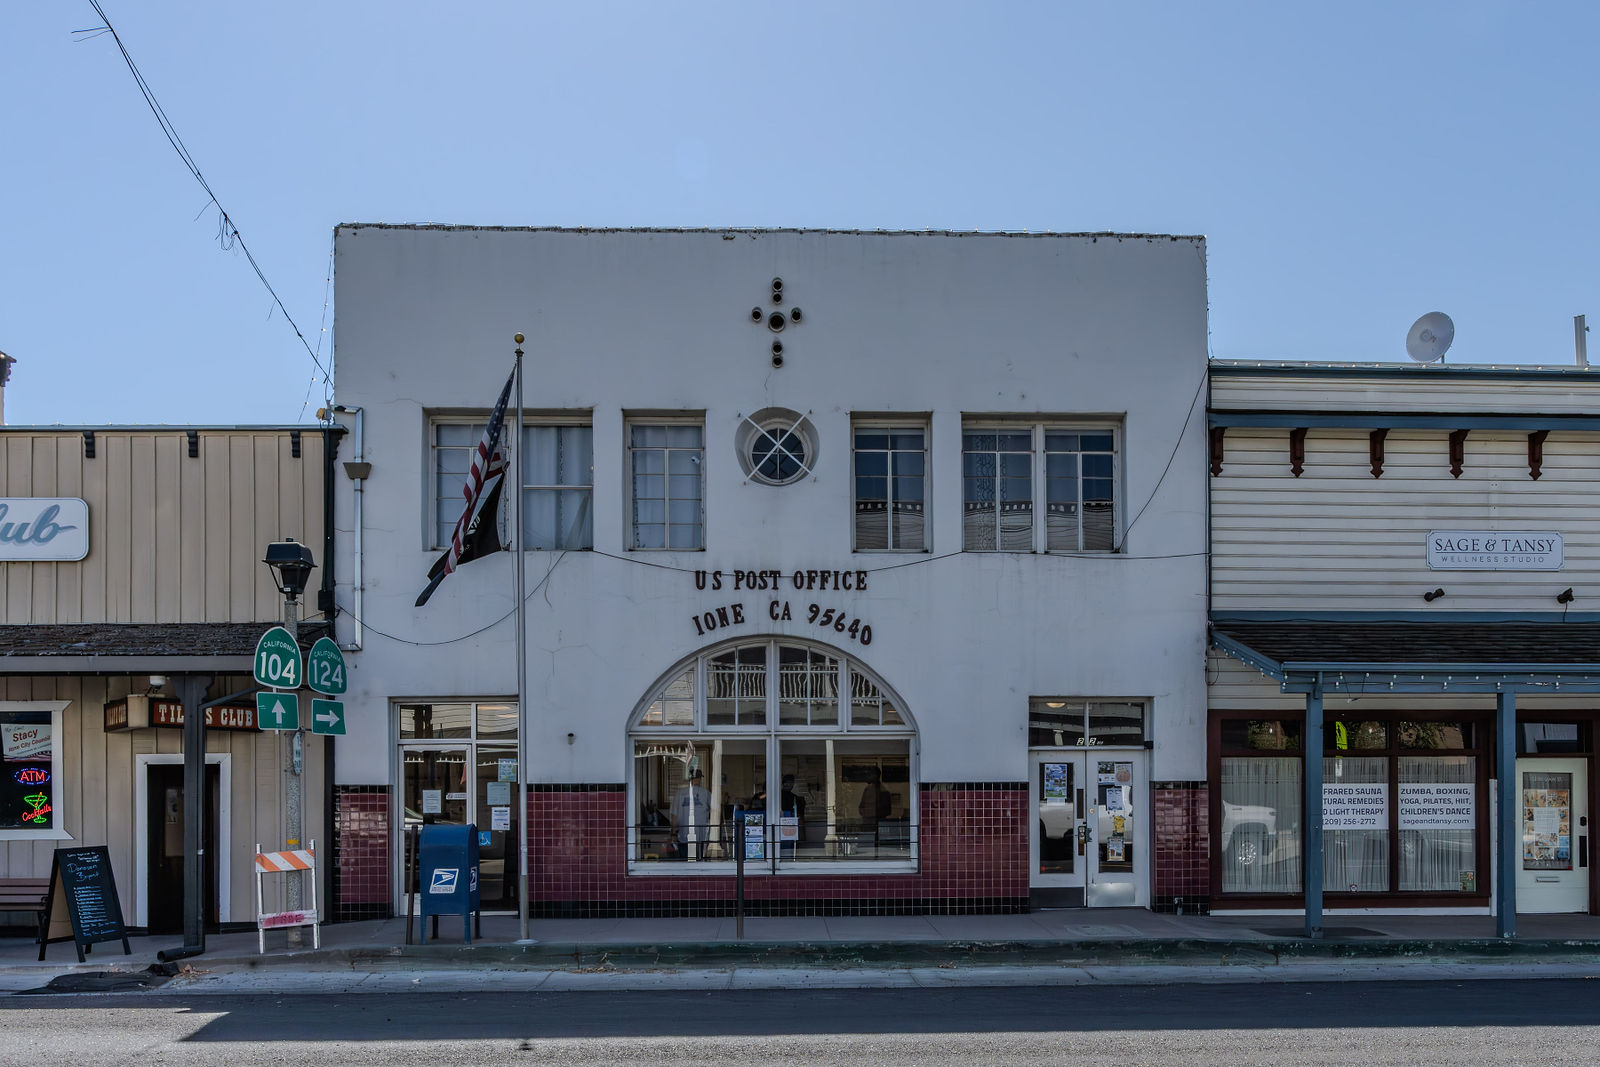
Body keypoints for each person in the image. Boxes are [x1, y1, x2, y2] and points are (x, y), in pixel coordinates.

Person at [671, 769, 712, 860]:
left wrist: (673, 833)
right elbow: (715, 811)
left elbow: (674, 816)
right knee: (699, 863)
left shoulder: (679, 793)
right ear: (699, 779)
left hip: (683, 835)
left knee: (684, 863)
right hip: (700, 836)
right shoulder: (706, 793)